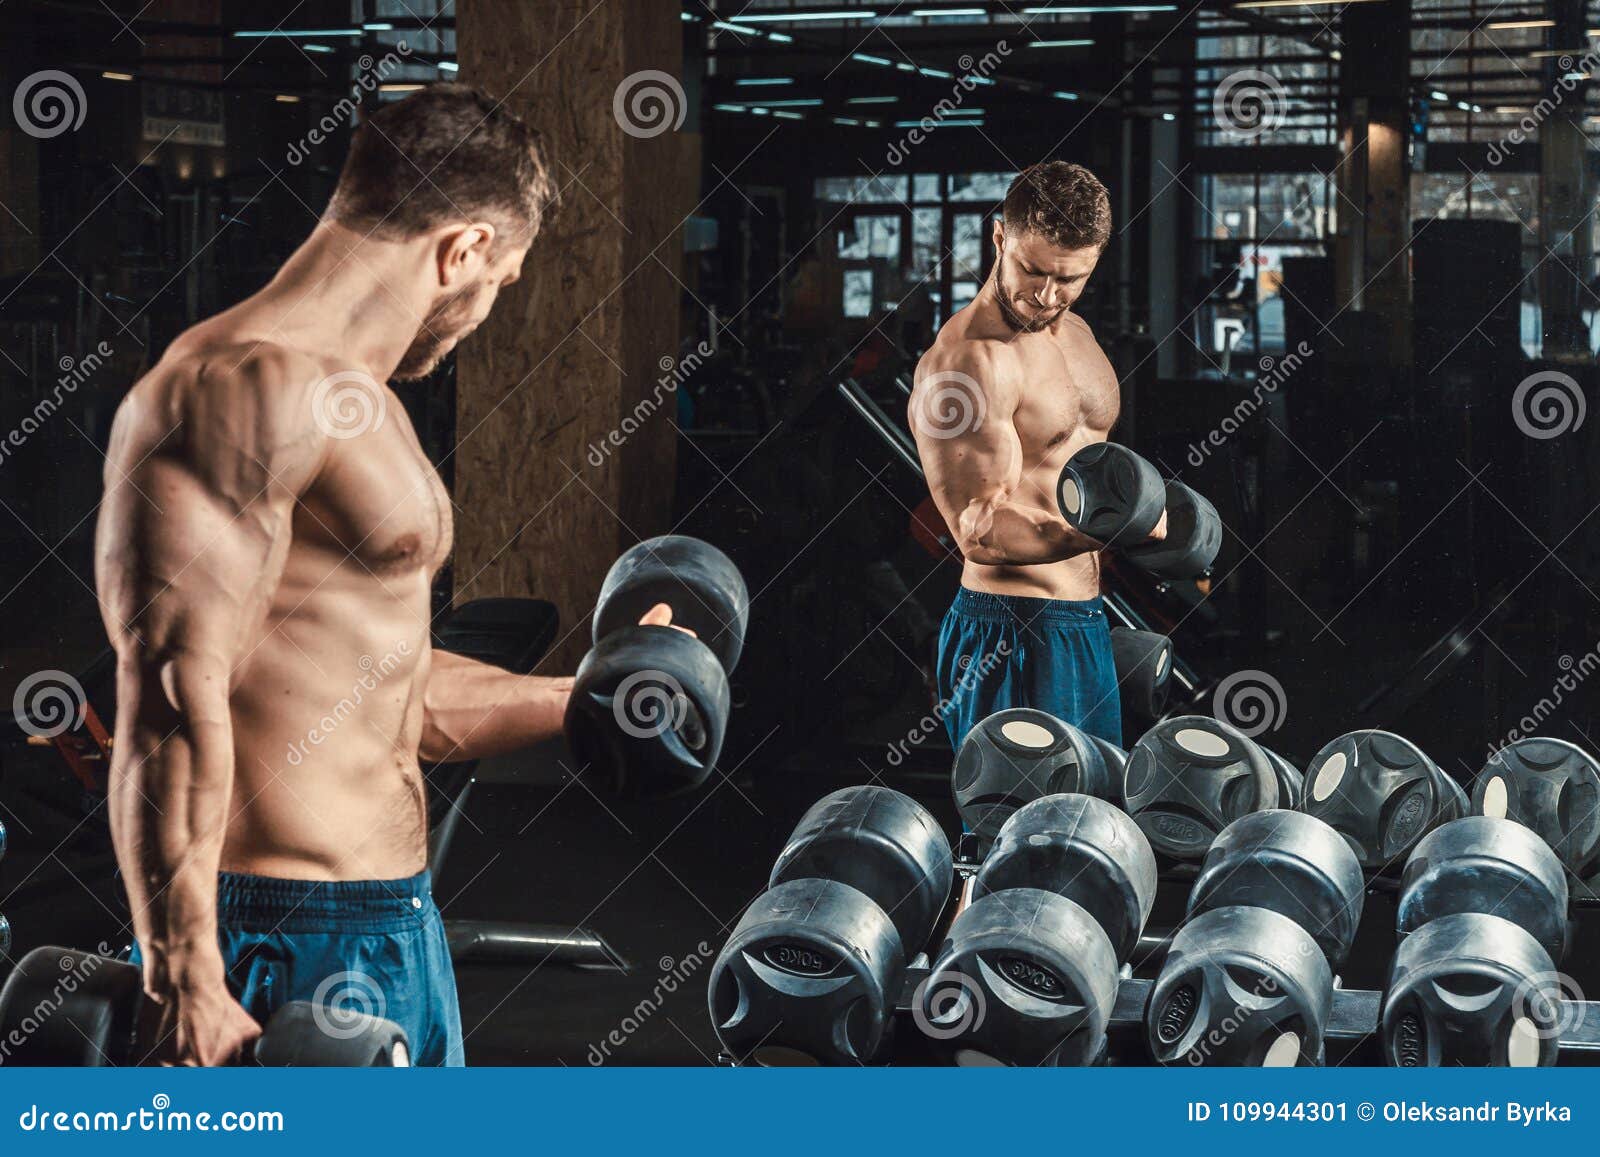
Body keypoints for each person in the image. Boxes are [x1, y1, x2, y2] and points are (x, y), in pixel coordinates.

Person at [94, 84, 673, 1067]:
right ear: (462, 251)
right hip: (282, 936)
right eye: (500, 282)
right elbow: (170, 696)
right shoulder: (236, 388)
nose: (482, 314)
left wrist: (597, 695)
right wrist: (185, 971)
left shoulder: (367, 404)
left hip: (395, 922)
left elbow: (388, 691)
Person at [908, 161, 1165, 752]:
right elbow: (980, 531)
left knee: (1092, 832)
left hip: (1086, 621)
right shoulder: (969, 364)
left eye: (1070, 279)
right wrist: (1115, 531)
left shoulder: (1076, 336)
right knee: (1019, 837)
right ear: (1000, 237)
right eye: (1031, 269)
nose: (1047, 295)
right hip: (1009, 631)